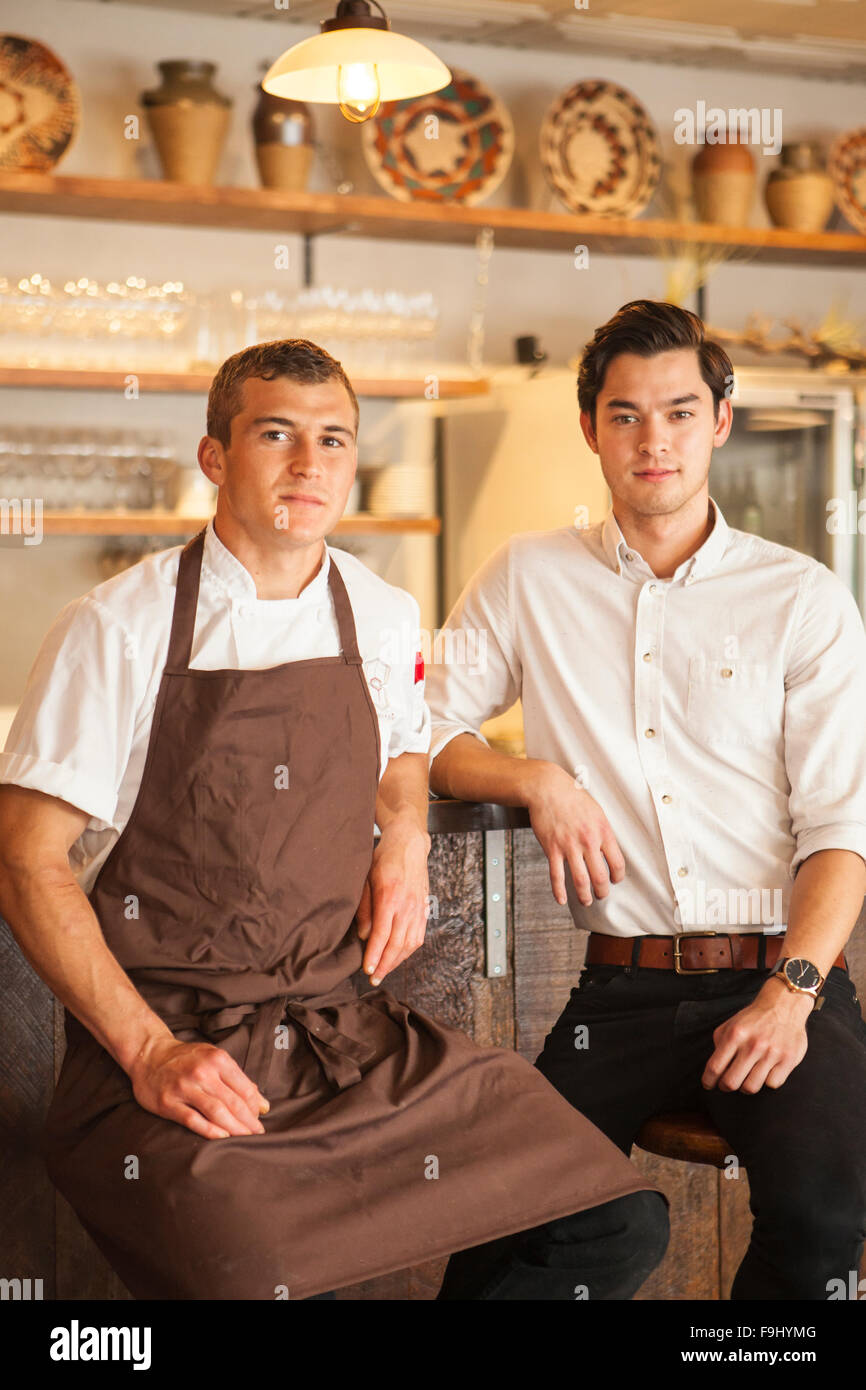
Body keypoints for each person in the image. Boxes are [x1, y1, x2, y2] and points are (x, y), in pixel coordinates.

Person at [0, 338, 668, 1301]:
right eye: (277, 435)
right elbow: (27, 861)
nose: (310, 465)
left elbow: (405, 747)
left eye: (333, 440)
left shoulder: (383, 611)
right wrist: (148, 1053)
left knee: (611, 1221)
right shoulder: (118, 627)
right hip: (172, 1052)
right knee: (252, 1278)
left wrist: (401, 830)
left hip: (349, 1035)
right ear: (216, 458)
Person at [425, 300, 866, 1301]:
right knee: (498, 1220)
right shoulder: (528, 574)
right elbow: (422, 727)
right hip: (619, 994)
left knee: (825, 1216)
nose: (650, 439)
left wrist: (790, 993)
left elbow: (840, 830)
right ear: (589, 429)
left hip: (777, 975)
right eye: (623, 414)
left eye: (675, 411)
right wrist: (533, 778)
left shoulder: (799, 599)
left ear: (718, 419)